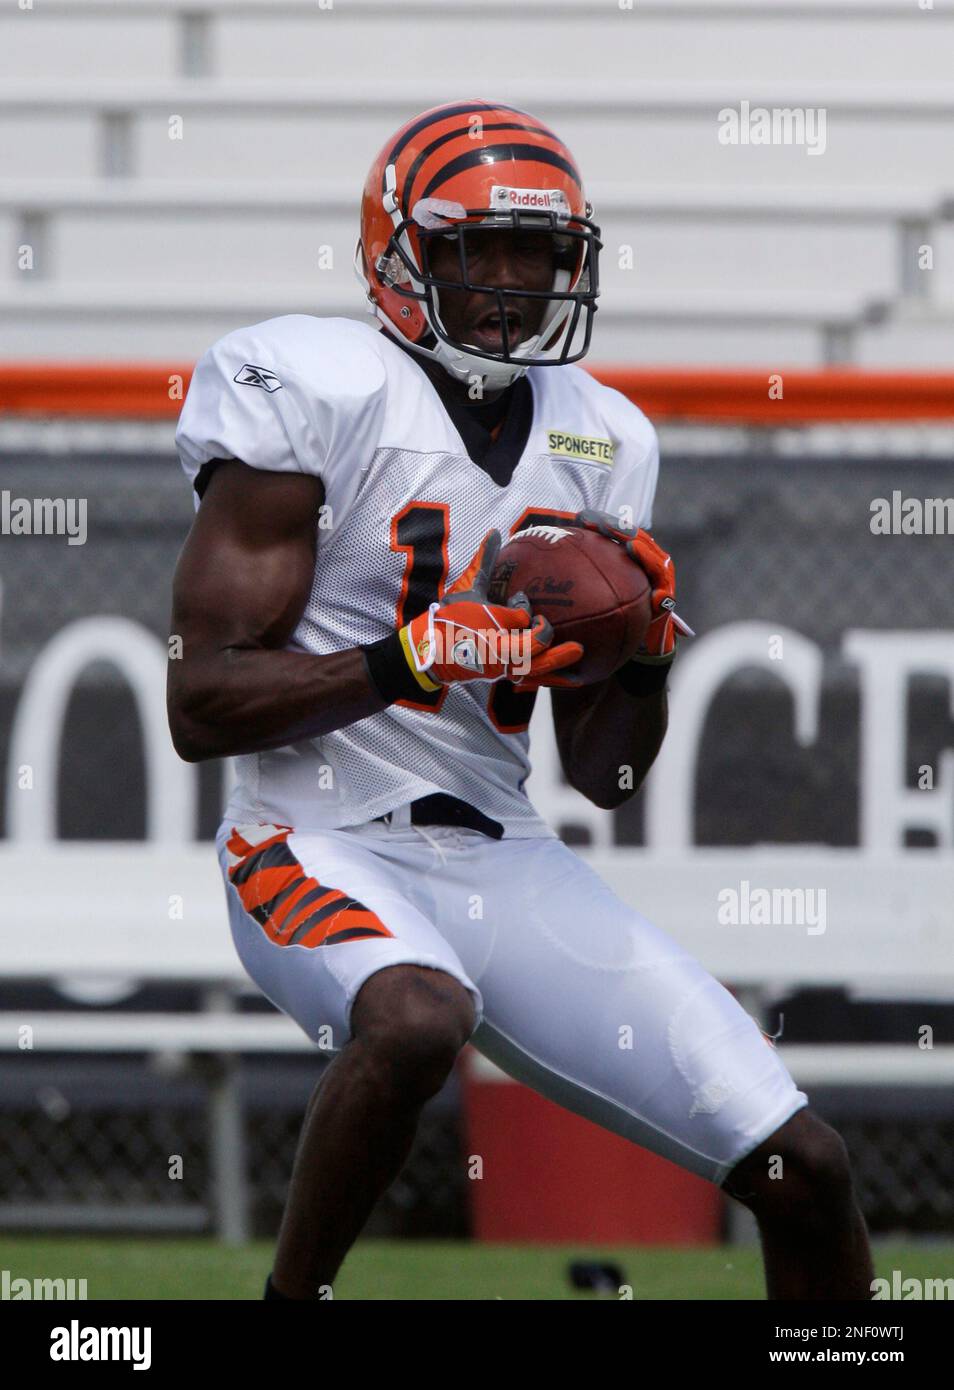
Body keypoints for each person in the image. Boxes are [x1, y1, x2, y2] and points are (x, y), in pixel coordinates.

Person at [168, 100, 873, 1300]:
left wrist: (640, 652)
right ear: (400, 251)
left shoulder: (605, 438)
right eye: (474, 250)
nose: (508, 283)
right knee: (415, 1017)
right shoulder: (311, 385)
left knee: (803, 1167)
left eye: (536, 255)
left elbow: (609, 778)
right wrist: (409, 657)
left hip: (506, 853)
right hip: (309, 835)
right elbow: (202, 705)